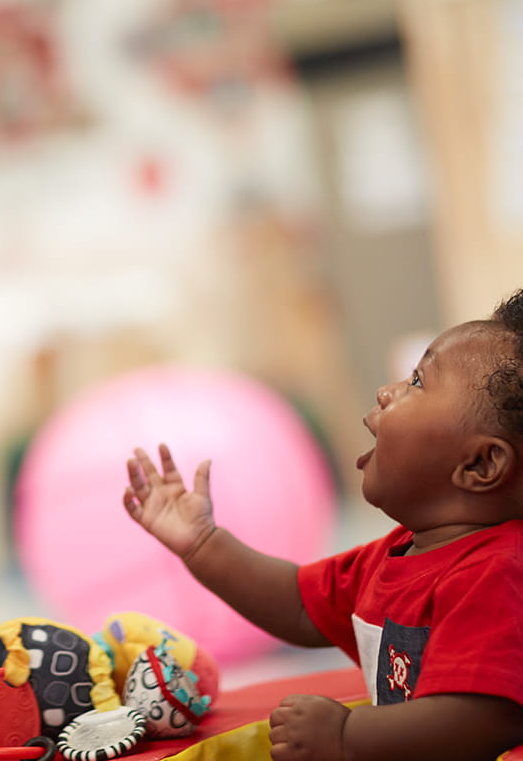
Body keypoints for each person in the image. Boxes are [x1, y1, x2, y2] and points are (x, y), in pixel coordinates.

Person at [122, 291, 523, 761]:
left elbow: (480, 718)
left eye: (418, 381)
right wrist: (202, 544)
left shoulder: (499, 573)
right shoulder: (399, 553)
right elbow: (298, 605)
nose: (386, 391)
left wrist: (347, 736)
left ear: (480, 464)